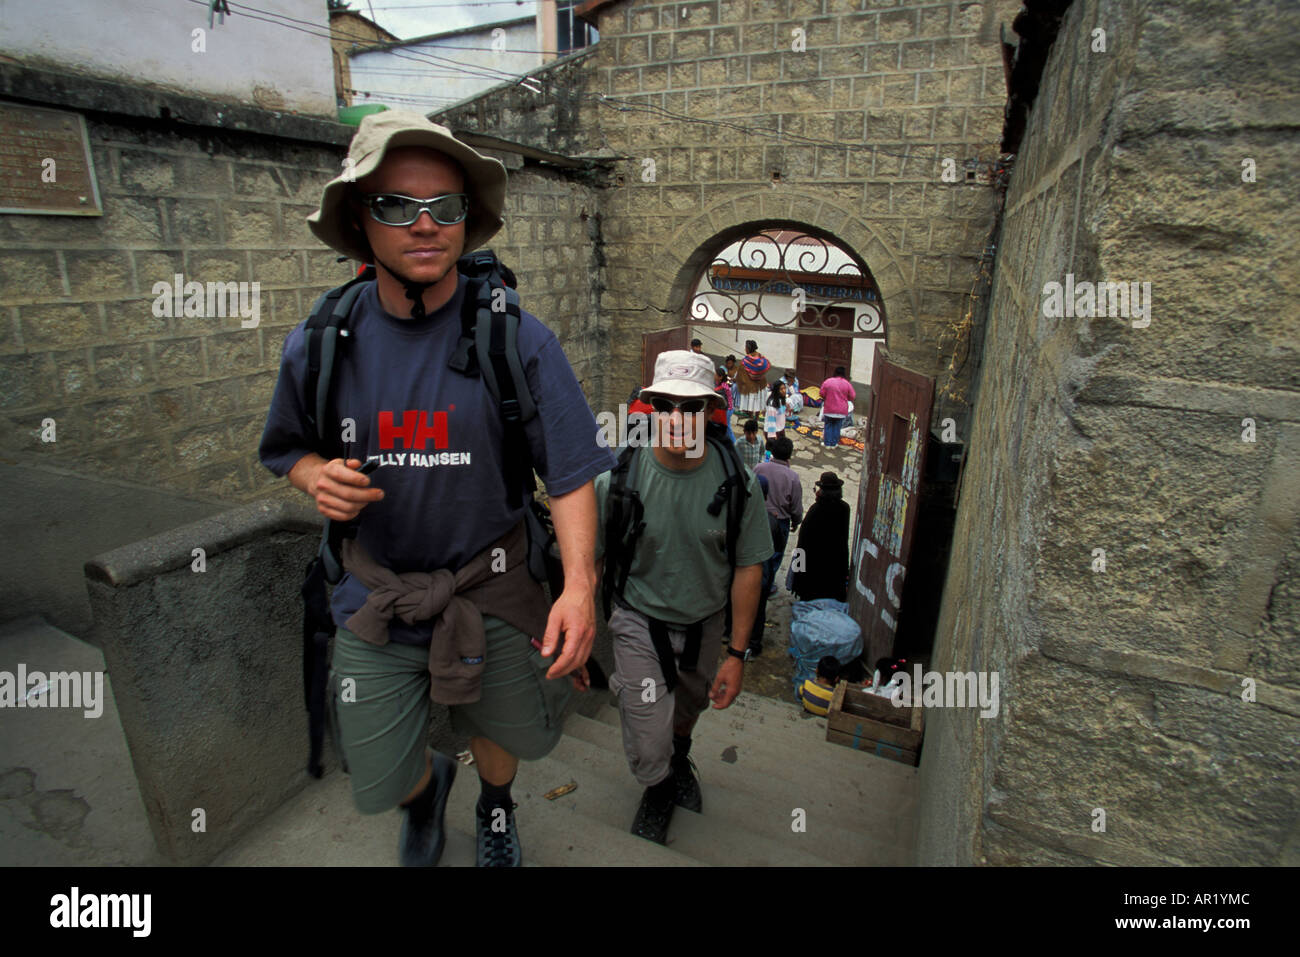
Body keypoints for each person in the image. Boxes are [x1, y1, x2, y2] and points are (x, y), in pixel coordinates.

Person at [258, 111, 614, 867]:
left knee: (506, 729)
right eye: (397, 205)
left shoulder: (516, 338)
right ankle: (425, 796)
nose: (425, 225)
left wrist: (578, 586)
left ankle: (493, 805)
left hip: (495, 587)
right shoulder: (321, 342)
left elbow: (574, 472)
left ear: (466, 218)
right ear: (361, 219)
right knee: (379, 766)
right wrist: (315, 475)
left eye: (444, 206)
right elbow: (289, 447)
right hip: (373, 594)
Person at [594, 350, 773, 845]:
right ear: (651, 408)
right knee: (649, 734)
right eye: (666, 405)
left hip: (705, 622)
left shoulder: (738, 486)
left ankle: (679, 760)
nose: (677, 418)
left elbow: (747, 567)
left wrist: (737, 655)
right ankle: (658, 787)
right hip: (637, 618)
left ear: (709, 412)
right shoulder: (619, 482)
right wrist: (584, 629)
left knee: (689, 707)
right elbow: (591, 557)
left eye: (690, 407)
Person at [754, 435, 802, 601]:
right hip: (780, 521)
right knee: (775, 554)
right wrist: (796, 521)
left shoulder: (759, 468)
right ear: (789, 455)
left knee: (757, 550)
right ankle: (767, 584)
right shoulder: (792, 477)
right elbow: (795, 506)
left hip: (758, 517)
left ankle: (755, 581)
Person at [790, 471, 851, 603]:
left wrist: (798, 571)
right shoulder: (844, 508)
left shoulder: (815, 510)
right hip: (834, 560)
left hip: (813, 563)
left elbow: (803, 542)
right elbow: (843, 539)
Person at [744, 473, 786, 659]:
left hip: (739, 571)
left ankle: (729, 633)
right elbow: (777, 548)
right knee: (758, 611)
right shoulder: (772, 521)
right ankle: (753, 645)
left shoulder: (739, 514)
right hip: (762, 574)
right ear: (766, 496)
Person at [819, 366, 856, 448]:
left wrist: (827, 397)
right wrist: (846, 398)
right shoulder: (847, 384)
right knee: (837, 426)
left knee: (828, 425)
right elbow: (852, 396)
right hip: (841, 411)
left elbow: (821, 393)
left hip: (829, 409)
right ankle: (834, 443)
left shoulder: (828, 381)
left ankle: (827, 444)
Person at [734, 339, 770, 418]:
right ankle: (756, 418)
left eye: (746, 348)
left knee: (750, 403)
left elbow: (742, 372)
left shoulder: (747, 360)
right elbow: (766, 365)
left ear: (749, 348)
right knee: (758, 402)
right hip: (761, 384)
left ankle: (751, 418)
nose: (745, 349)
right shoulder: (761, 357)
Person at [714, 365, 735, 438]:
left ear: (720, 377)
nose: (714, 375)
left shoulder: (723, 386)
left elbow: (716, 391)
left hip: (728, 409)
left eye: (715, 374)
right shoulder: (719, 383)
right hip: (727, 407)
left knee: (727, 427)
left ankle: (733, 443)